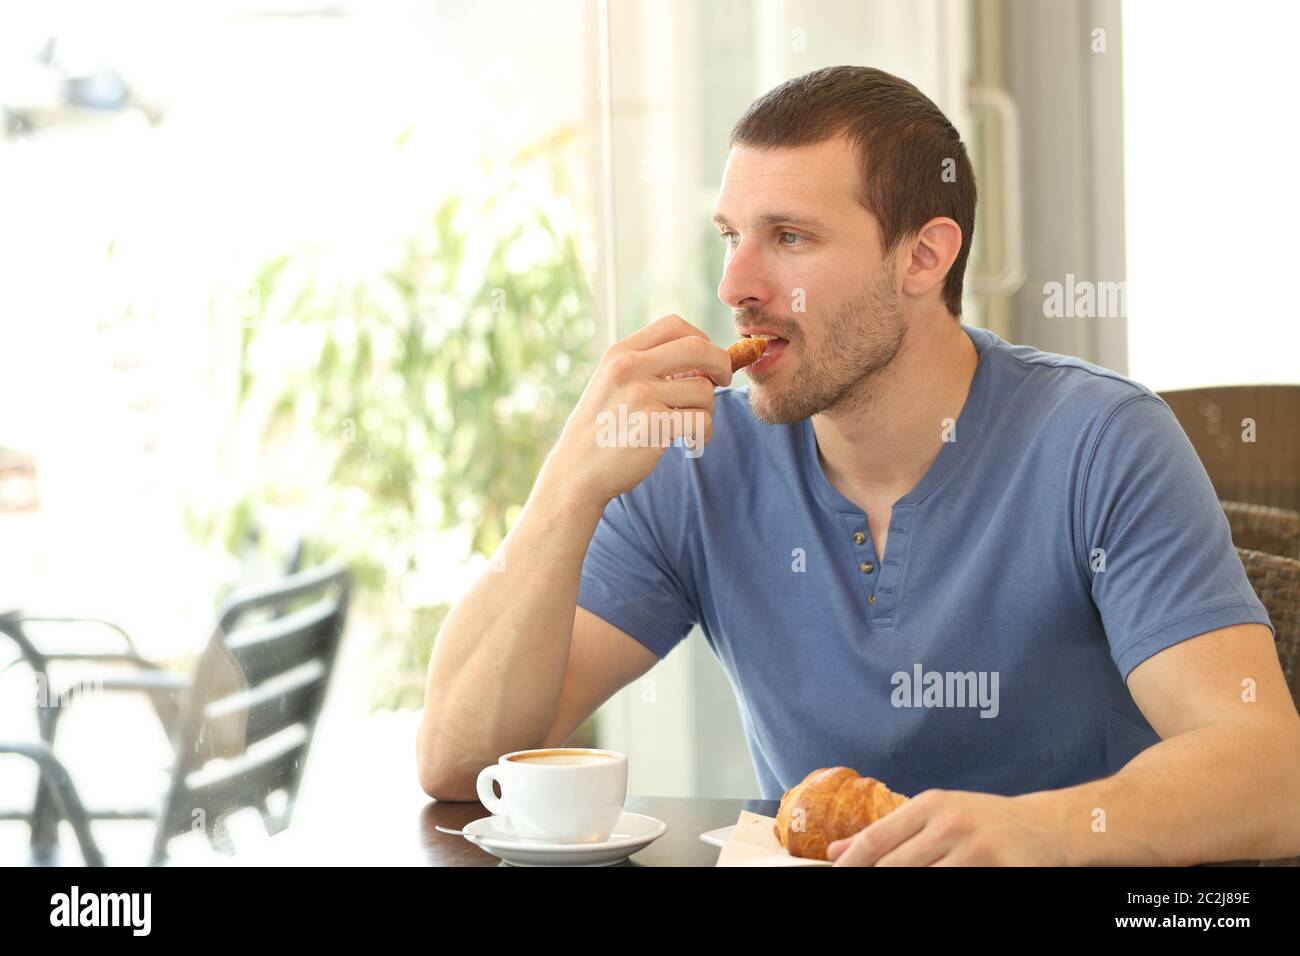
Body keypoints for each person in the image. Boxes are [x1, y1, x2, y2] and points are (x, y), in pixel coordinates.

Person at [417, 65, 1300, 866]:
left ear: (924, 256)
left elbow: (1271, 774)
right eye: (730, 235)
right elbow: (461, 763)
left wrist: (1044, 828)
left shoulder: (1104, 443)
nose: (735, 285)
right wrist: (566, 486)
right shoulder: (696, 459)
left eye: (790, 238)